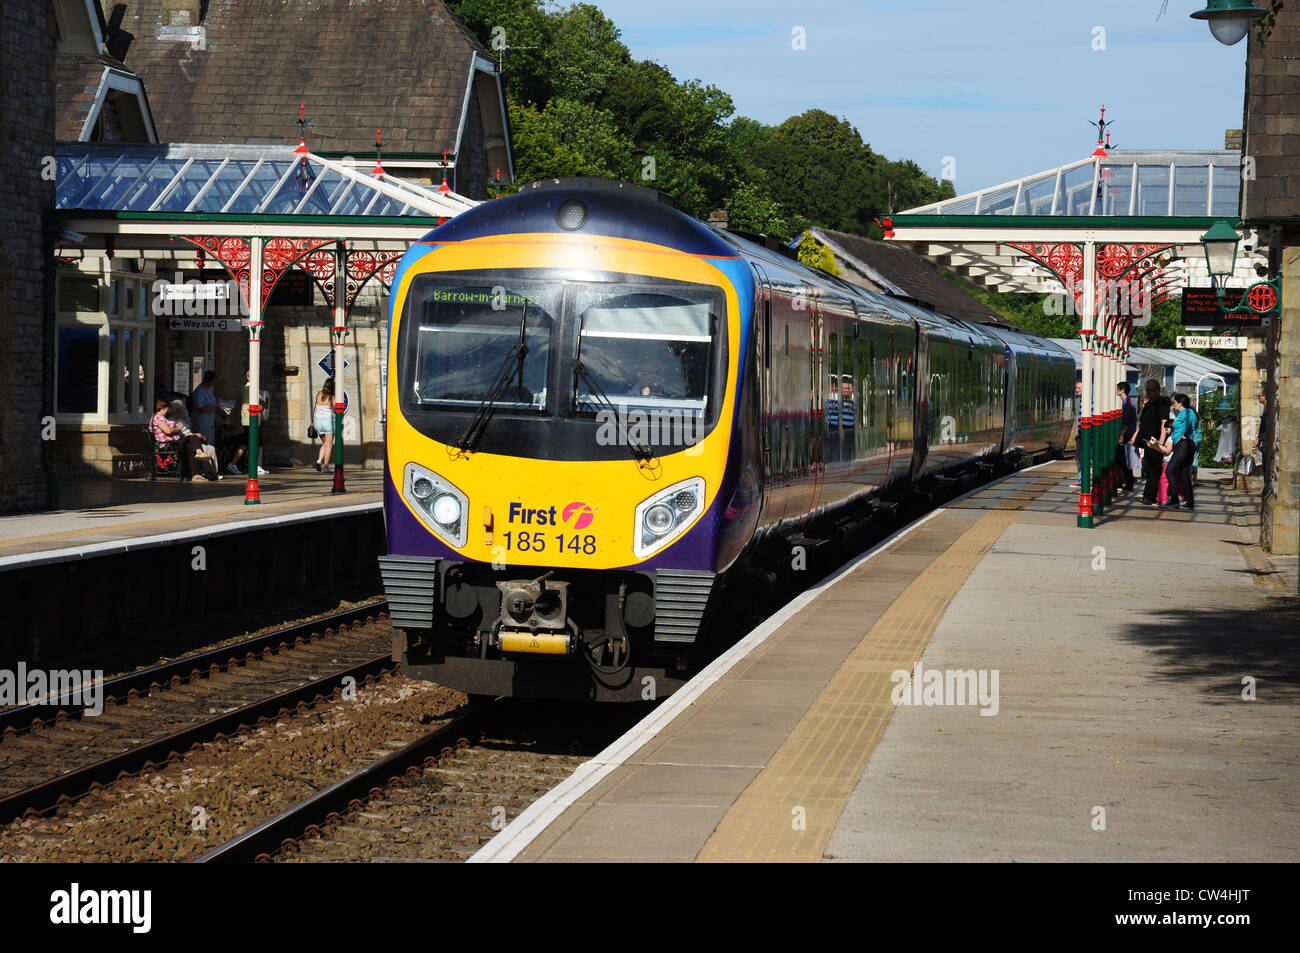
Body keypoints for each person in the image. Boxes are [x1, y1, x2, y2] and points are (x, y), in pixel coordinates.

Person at [1155, 392, 1199, 509]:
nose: (1173, 405)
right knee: (1184, 473)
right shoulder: (1189, 412)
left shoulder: (1185, 413)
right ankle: (1189, 501)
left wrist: (1183, 434)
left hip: (1183, 444)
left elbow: (1187, 425)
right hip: (1187, 444)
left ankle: (1174, 499)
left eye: (1174, 403)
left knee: (1170, 470)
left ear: (1180, 403)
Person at [150, 398, 212, 481]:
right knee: (193, 438)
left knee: (192, 446)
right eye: (167, 409)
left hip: (174, 441)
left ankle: (195, 472)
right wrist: (179, 428)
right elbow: (168, 431)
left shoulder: (160, 417)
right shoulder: (158, 418)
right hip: (168, 443)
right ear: (163, 408)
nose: (168, 412)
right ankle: (197, 464)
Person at [1137, 379, 1171, 506]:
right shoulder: (1149, 404)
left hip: (1155, 441)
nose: (1150, 392)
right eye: (1148, 390)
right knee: (1148, 467)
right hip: (1147, 441)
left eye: (1153, 390)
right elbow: (1143, 423)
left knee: (1153, 468)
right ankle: (1148, 494)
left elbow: (1164, 423)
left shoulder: (1161, 404)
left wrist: (1160, 442)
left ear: (1158, 390)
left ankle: (1151, 496)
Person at [1115, 381, 1136, 492]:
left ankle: (1128, 482)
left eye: (1117, 388)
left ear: (1122, 390)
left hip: (1126, 435)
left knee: (1122, 459)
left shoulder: (1127, 403)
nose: (1116, 390)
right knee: (1123, 459)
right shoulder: (1128, 402)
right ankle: (1128, 481)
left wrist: (1122, 435)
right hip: (1127, 434)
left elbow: (1127, 422)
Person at [190, 371, 219, 445]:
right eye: (212, 382)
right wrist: (215, 408)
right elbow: (200, 409)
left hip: (209, 422)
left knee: (210, 445)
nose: (213, 385)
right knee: (204, 444)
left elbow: (213, 402)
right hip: (202, 423)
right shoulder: (200, 391)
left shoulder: (208, 390)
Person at [314, 376, 336, 472]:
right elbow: (337, 409)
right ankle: (326, 466)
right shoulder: (332, 397)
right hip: (328, 422)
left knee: (325, 443)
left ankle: (319, 460)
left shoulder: (319, 394)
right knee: (329, 445)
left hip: (318, 421)